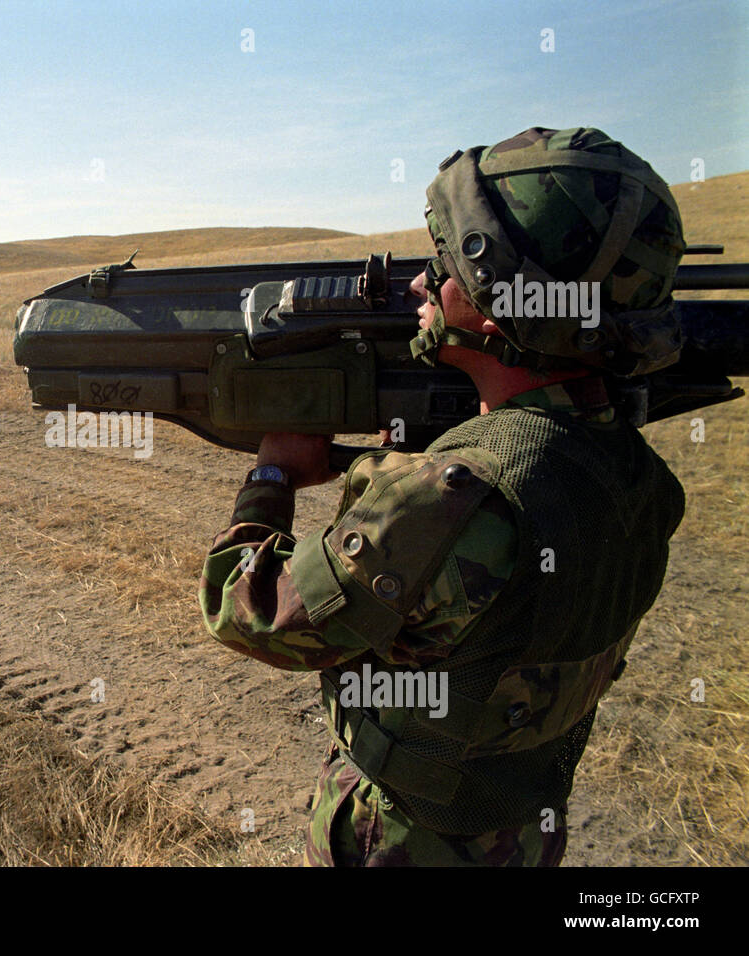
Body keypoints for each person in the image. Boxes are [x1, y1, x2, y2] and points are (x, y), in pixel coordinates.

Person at [199, 127, 687, 866]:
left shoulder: (451, 499)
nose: (422, 285)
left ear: (501, 307)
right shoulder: (636, 473)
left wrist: (271, 477)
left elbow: (249, 613)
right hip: (521, 828)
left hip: (405, 842)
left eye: (446, 265)